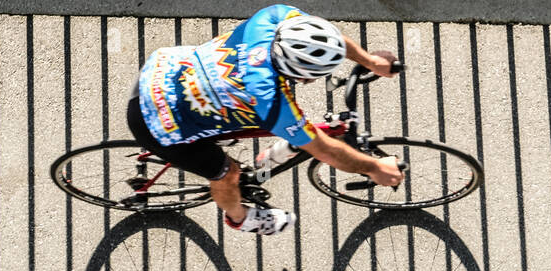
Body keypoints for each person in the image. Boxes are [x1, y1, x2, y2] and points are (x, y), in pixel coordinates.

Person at [129, 4, 403, 235]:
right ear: (301, 75)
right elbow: (325, 150)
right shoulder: (269, 98)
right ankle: (240, 218)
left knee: (276, 121)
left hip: (165, 69)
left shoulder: (274, 17)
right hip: (154, 121)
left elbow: (322, 39)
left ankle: (282, 148)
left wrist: (369, 60)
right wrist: (374, 167)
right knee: (228, 174)